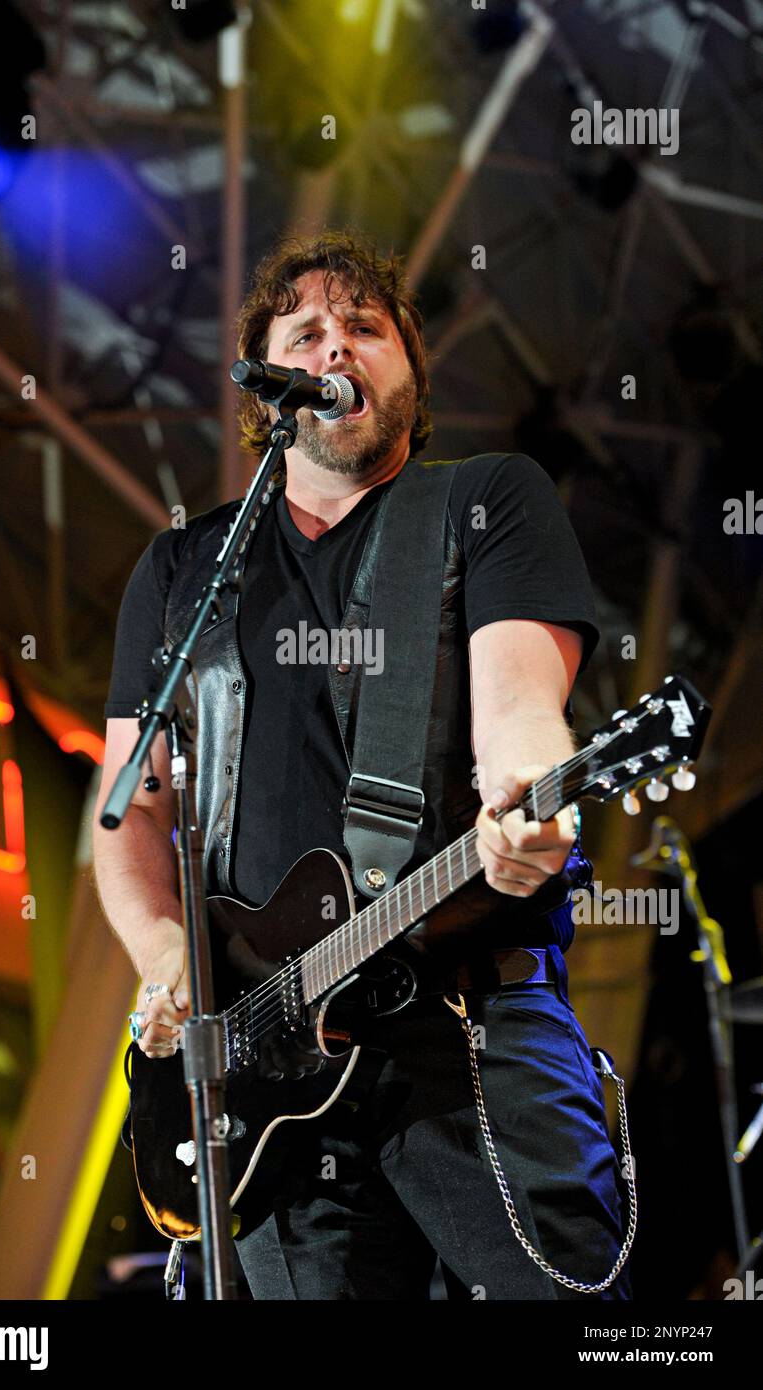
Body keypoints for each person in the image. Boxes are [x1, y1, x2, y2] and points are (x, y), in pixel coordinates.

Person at [92, 229, 631, 1301]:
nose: (334, 344)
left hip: (468, 1024)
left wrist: (527, 802)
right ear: (267, 385)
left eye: (364, 328)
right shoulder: (185, 568)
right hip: (265, 1071)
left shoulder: (484, 501)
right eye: (305, 332)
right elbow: (130, 813)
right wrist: (167, 961)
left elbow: (520, 705)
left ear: (406, 372)